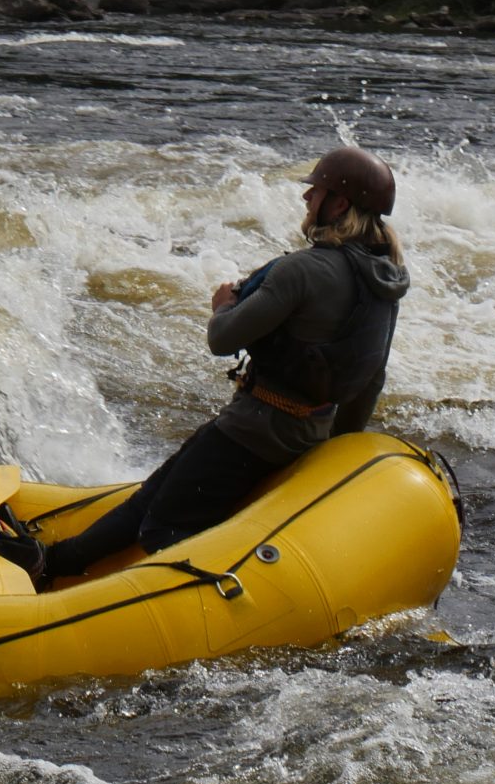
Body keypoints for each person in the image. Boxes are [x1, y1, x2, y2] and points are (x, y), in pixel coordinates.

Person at [30, 145, 411, 581]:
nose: (307, 199)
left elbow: (222, 339)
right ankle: (55, 563)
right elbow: (371, 376)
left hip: (256, 431)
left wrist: (222, 306)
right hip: (306, 432)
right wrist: (332, 448)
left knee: (164, 526)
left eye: (317, 190)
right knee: (149, 496)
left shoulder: (302, 270)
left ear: (340, 203)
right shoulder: (386, 279)